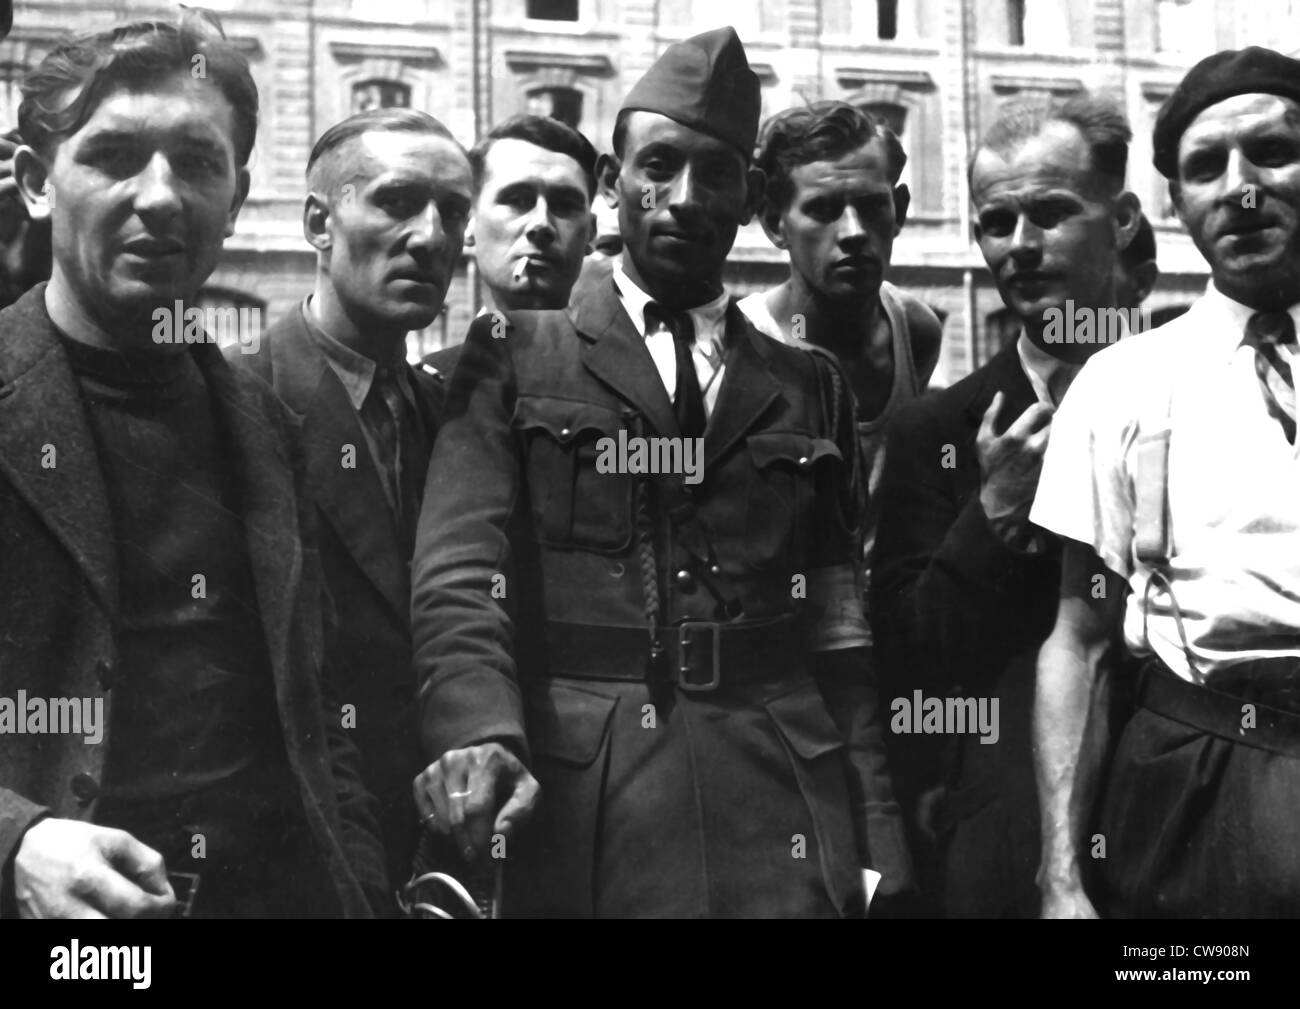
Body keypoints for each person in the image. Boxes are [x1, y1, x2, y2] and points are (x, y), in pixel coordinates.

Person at [409, 26, 911, 917]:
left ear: (751, 196)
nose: (684, 198)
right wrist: (480, 733)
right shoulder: (519, 353)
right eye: (659, 166)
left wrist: (875, 832)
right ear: (612, 183)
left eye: (716, 174)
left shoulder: (807, 383)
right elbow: (458, 575)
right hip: (586, 796)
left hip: (781, 792)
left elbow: (840, 632)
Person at [0, 11, 385, 919]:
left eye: (199, 162)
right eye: (115, 155)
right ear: (33, 182)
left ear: (238, 194)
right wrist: (14, 839)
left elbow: (318, 721)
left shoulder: (263, 421)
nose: (162, 195)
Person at [1033, 47, 1300, 919]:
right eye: (1205, 167)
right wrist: (1065, 879)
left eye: (1272, 152)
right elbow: (1082, 640)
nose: (1242, 187)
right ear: (1175, 204)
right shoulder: (1124, 382)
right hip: (1198, 788)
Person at [871, 92, 1142, 917]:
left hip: (1184, 801)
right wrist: (988, 517)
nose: (1019, 248)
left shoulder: (1191, 388)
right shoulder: (936, 427)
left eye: (1052, 214)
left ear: (1123, 219)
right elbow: (908, 665)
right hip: (1010, 832)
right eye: (996, 223)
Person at [230, 108, 471, 901]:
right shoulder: (237, 399)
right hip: (297, 859)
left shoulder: (450, 412)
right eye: (398, 201)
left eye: (454, 212)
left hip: (439, 848)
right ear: (316, 224)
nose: (433, 237)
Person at [422, 114, 596, 390]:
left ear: (591, 233)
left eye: (564, 205)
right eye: (516, 200)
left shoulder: (631, 380)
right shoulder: (428, 387)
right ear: (469, 222)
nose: (541, 224)